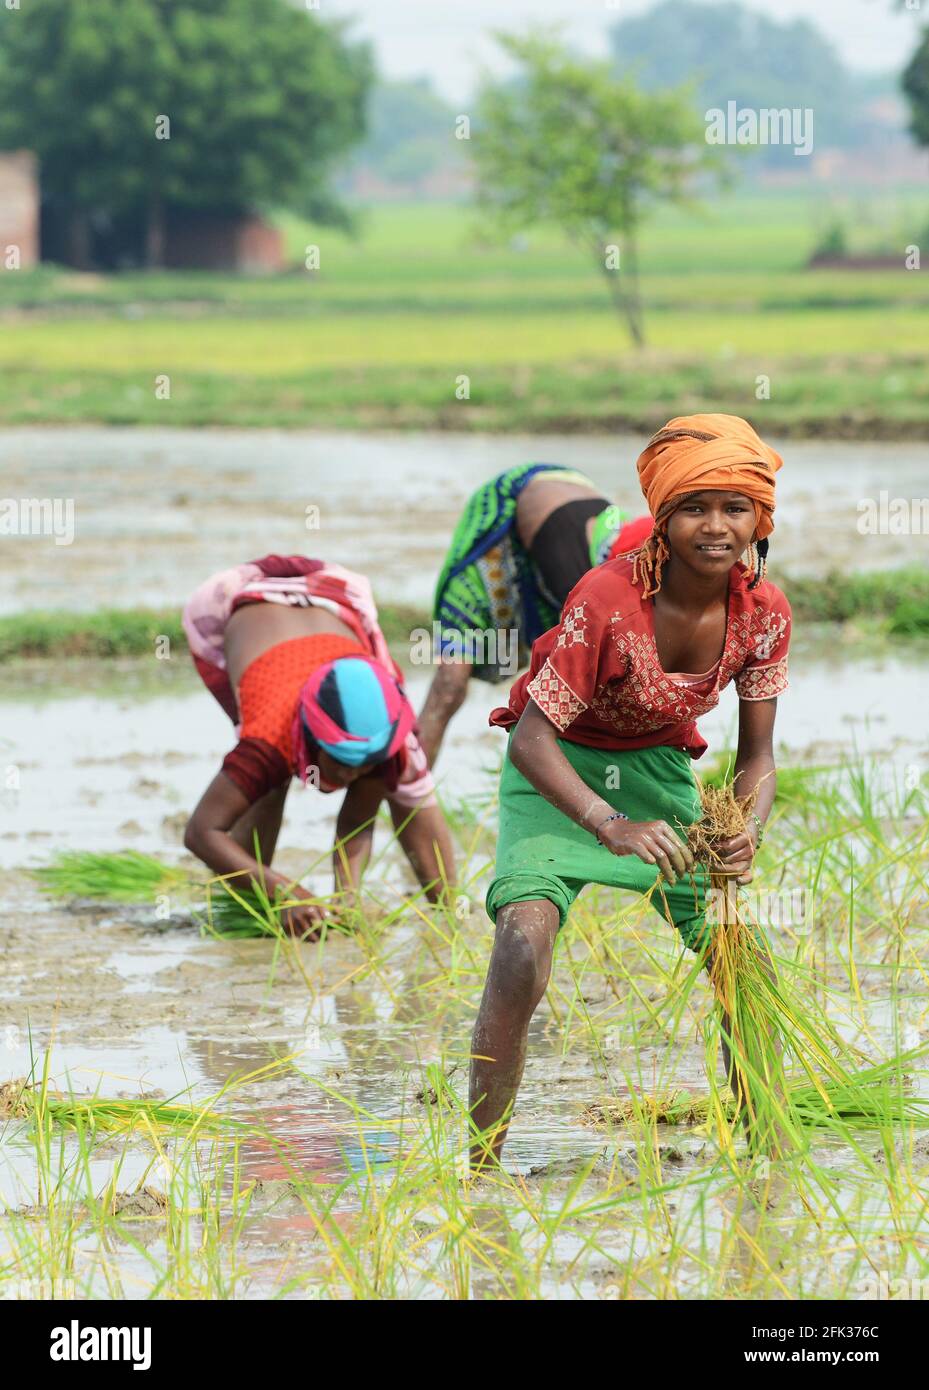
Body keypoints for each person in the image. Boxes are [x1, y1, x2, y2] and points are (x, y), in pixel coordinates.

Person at [468, 415, 792, 1170]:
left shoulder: (763, 612)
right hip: (560, 772)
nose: (714, 527)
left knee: (744, 959)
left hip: (658, 772)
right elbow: (531, 738)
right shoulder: (607, 598)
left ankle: (769, 1154)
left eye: (733, 508)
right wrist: (607, 822)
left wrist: (746, 825)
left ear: (758, 520)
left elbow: (761, 754)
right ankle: (480, 1168)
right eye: (693, 507)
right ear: (665, 516)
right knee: (521, 946)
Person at [182, 555, 455, 936]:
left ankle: (395, 905)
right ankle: (252, 907)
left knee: (394, 775)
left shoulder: (390, 731)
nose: (351, 776)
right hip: (225, 605)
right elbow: (201, 832)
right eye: (342, 763)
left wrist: (351, 904)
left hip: (331, 595)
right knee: (267, 781)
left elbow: (376, 814)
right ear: (312, 737)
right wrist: (284, 892)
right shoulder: (267, 738)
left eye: (362, 766)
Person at [418, 464, 643, 765]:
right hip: (510, 510)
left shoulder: (656, 573)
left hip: (570, 503)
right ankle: (408, 788)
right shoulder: (589, 583)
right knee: (451, 681)